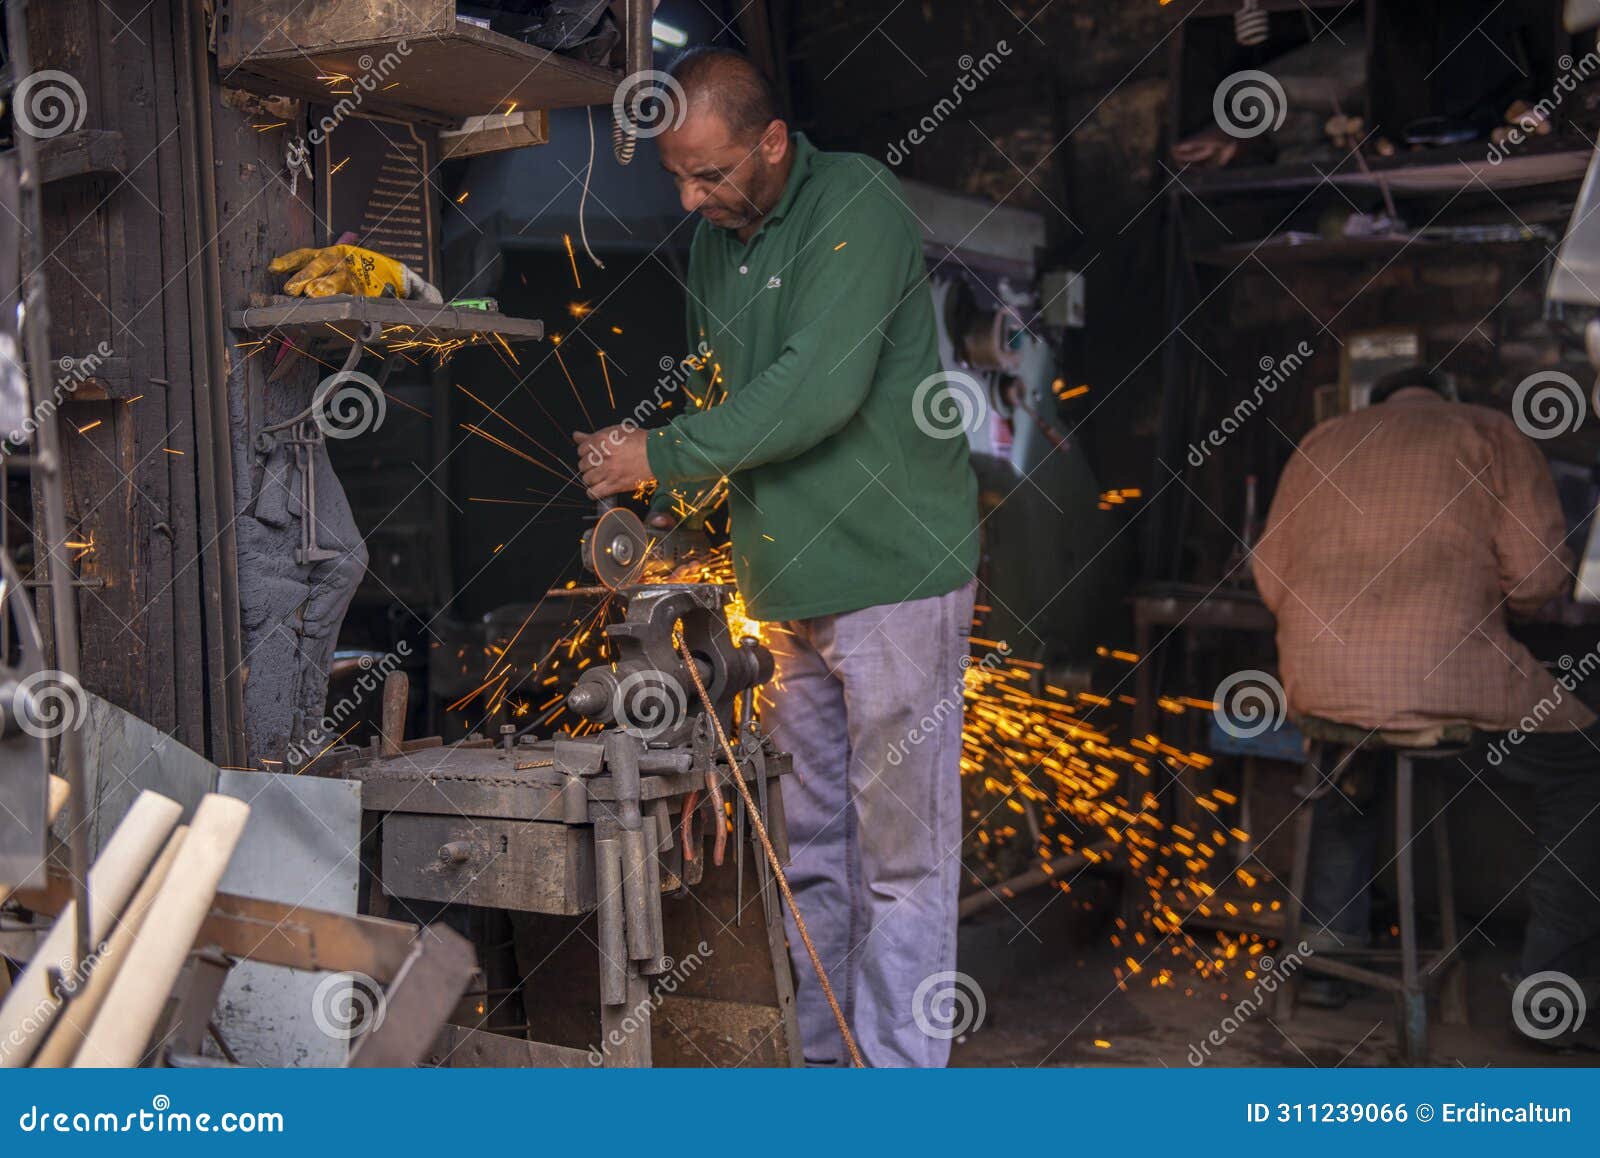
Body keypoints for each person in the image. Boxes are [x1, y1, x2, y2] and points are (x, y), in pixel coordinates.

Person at [573, 47, 980, 1066]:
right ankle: (817, 1068)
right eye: (675, 175)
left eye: (709, 173)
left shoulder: (857, 205)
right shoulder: (716, 245)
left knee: (902, 866)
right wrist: (667, 494)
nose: (689, 196)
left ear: (772, 142)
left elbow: (814, 393)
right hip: (788, 591)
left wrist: (657, 453)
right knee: (814, 860)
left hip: (891, 577)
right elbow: (730, 407)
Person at [1252, 367, 1600, 1032]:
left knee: (1347, 761)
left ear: (1376, 403)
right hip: (1442, 680)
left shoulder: (1324, 439)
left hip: (1322, 686)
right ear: (1445, 396)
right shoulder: (1488, 432)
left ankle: (1326, 961)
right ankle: (1553, 996)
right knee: (1585, 764)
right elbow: (1538, 575)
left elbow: (1270, 579)